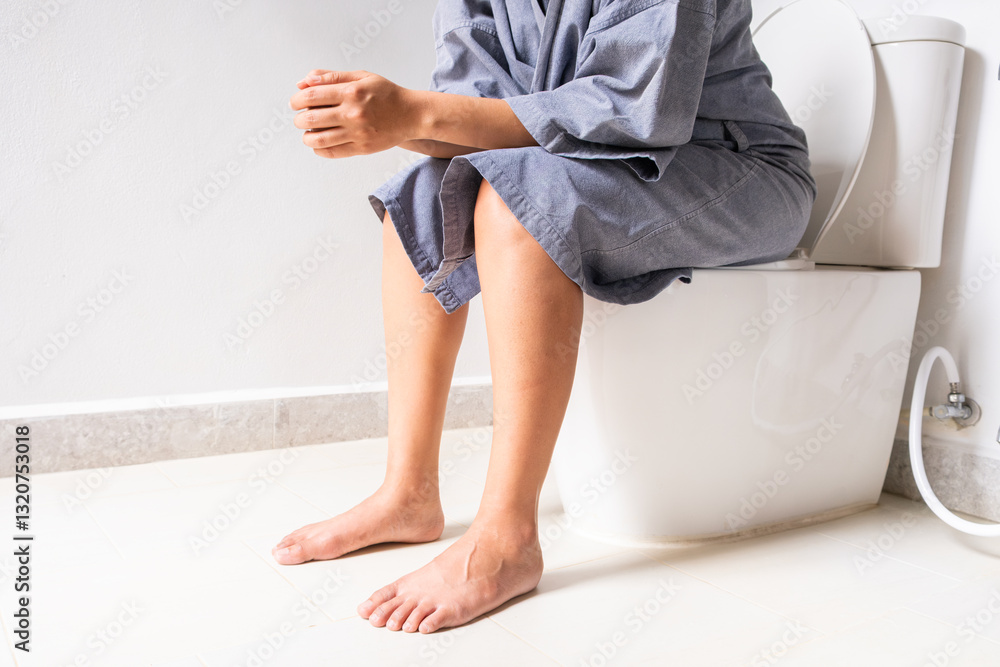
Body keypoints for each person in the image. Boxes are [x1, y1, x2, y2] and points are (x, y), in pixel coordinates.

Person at [272, 0, 816, 635]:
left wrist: (412, 113)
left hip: (738, 169)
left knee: (521, 204)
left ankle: (506, 537)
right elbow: (473, 117)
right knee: (420, 197)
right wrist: (383, 122)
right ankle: (407, 492)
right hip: (608, 160)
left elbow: (631, 111)